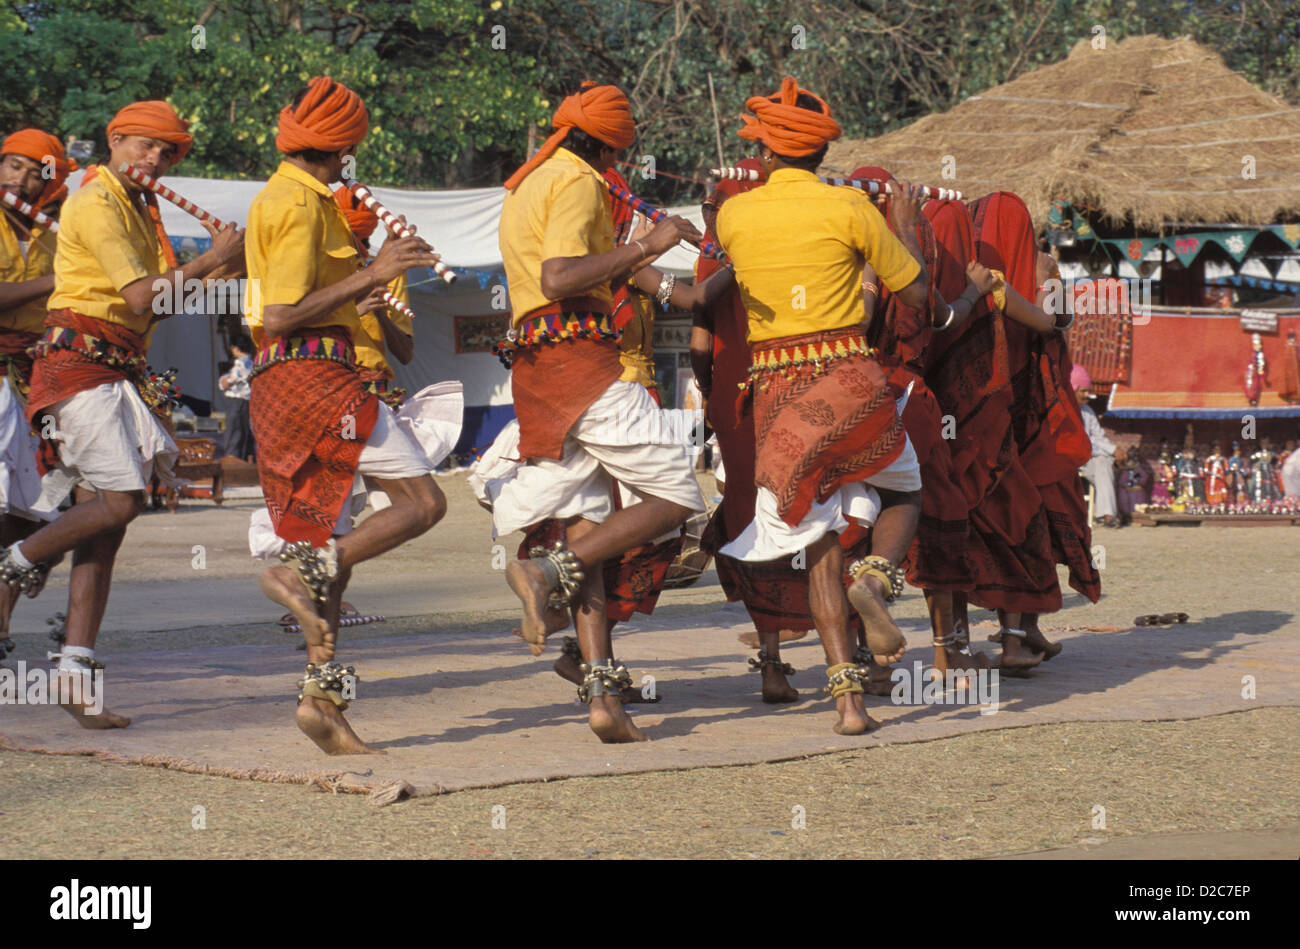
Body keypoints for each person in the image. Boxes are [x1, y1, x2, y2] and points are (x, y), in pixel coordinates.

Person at [712, 77, 945, 734]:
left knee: (817, 543)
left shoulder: (735, 216)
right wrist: (903, 228)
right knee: (903, 488)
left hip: (777, 395)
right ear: (821, 152)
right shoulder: (850, 209)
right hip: (850, 381)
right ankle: (874, 579)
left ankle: (848, 704)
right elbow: (921, 296)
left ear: (766, 150)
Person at [0, 102, 244, 726]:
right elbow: (140, 294)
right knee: (121, 500)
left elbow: (151, 309)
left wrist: (225, 266)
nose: (155, 159)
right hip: (74, 366)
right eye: (145, 146)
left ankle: (75, 672)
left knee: (107, 528)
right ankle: (16, 563)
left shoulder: (139, 209)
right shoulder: (93, 201)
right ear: (116, 140)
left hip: (116, 368)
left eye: (168, 152)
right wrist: (214, 259)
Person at [492, 82, 707, 743]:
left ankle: (602, 697)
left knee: (588, 524)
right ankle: (542, 571)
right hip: (576, 358)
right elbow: (559, 276)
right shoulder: (579, 182)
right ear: (614, 143)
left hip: (543, 363)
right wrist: (650, 243)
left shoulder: (531, 183)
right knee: (677, 497)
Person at [244, 76, 446, 755]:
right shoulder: (298, 204)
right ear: (342, 147)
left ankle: (321, 702)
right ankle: (299, 575)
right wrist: (375, 271)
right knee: (422, 503)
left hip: (290, 387)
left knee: (332, 559)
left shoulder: (287, 195)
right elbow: (279, 316)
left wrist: (377, 280)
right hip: (315, 379)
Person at [0, 128, 75, 656]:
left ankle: (3, 622)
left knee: (39, 512)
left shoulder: (58, 232)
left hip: (35, 377)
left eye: (36, 172)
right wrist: (59, 278)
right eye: (12, 166)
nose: (22, 180)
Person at [1074, 364, 1121, 527]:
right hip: (1063, 459)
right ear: (1071, 389)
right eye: (1083, 391)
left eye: (1088, 391)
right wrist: (1111, 451)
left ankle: (1106, 514)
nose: (1088, 395)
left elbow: (1098, 437)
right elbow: (1079, 443)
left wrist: (1113, 451)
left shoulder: (1087, 411)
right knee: (1103, 455)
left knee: (1103, 461)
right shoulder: (1060, 411)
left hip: (1085, 459)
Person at [218, 333, 255, 461]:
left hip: (237, 400)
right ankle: (244, 458)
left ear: (236, 348)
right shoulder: (251, 362)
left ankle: (232, 459)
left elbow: (229, 381)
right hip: (246, 400)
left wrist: (223, 379)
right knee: (243, 431)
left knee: (234, 431)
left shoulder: (241, 364)